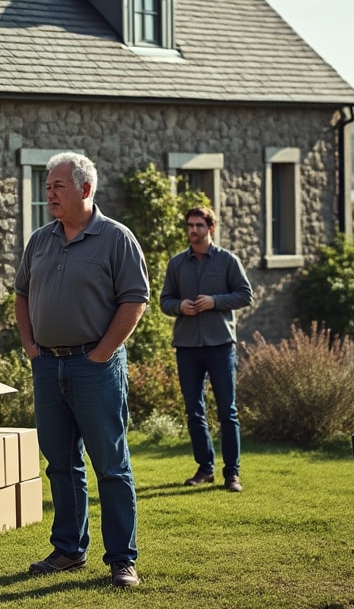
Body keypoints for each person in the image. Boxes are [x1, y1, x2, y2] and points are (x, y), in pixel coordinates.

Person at [15, 152, 149, 588]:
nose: (48, 193)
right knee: (60, 463)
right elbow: (21, 295)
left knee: (110, 465)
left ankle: (122, 560)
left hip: (96, 367)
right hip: (47, 366)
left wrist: (101, 354)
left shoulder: (116, 238)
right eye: (47, 186)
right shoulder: (39, 239)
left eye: (57, 186)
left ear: (85, 190)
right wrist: (31, 347)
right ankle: (69, 550)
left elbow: (135, 301)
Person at [159, 205, 253, 493]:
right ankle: (205, 468)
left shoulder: (228, 261)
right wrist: (180, 307)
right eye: (189, 225)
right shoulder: (177, 264)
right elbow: (164, 301)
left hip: (220, 345)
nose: (193, 230)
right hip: (187, 346)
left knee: (228, 411)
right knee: (194, 411)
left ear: (210, 228)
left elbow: (245, 295)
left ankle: (232, 474)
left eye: (199, 225)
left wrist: (215, 301)